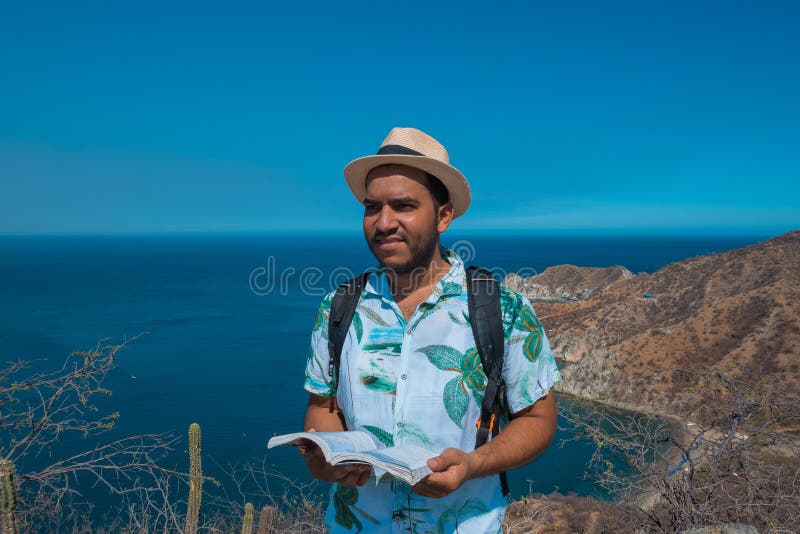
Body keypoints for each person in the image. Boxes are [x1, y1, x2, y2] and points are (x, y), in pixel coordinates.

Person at [301, 127, 560, 533]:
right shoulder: (339, 307)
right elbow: (322, 406)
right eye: (372, 208)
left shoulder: (501, 309)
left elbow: (538, 417)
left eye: (403, 205)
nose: (383, 222)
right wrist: (328, 457)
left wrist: (473, 464)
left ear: (443, 215)